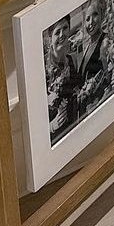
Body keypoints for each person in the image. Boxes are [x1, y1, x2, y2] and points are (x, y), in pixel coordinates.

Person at [44, 16, 78, 144]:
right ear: (50, 39)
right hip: (55, 137)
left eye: (65, 28)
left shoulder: (72, 59)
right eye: (57, 32)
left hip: (73, 125)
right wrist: (52, 126)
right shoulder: (43, 70)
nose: (62, 34)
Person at [73, 0, 108, 117]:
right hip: (85, 111)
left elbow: (110, 79)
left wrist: (100, 101)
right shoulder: (86, 47)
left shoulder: (105, 41)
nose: (91, 22)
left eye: (95, 15)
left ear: (102, 15)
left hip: (98, 109)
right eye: (87, 19)